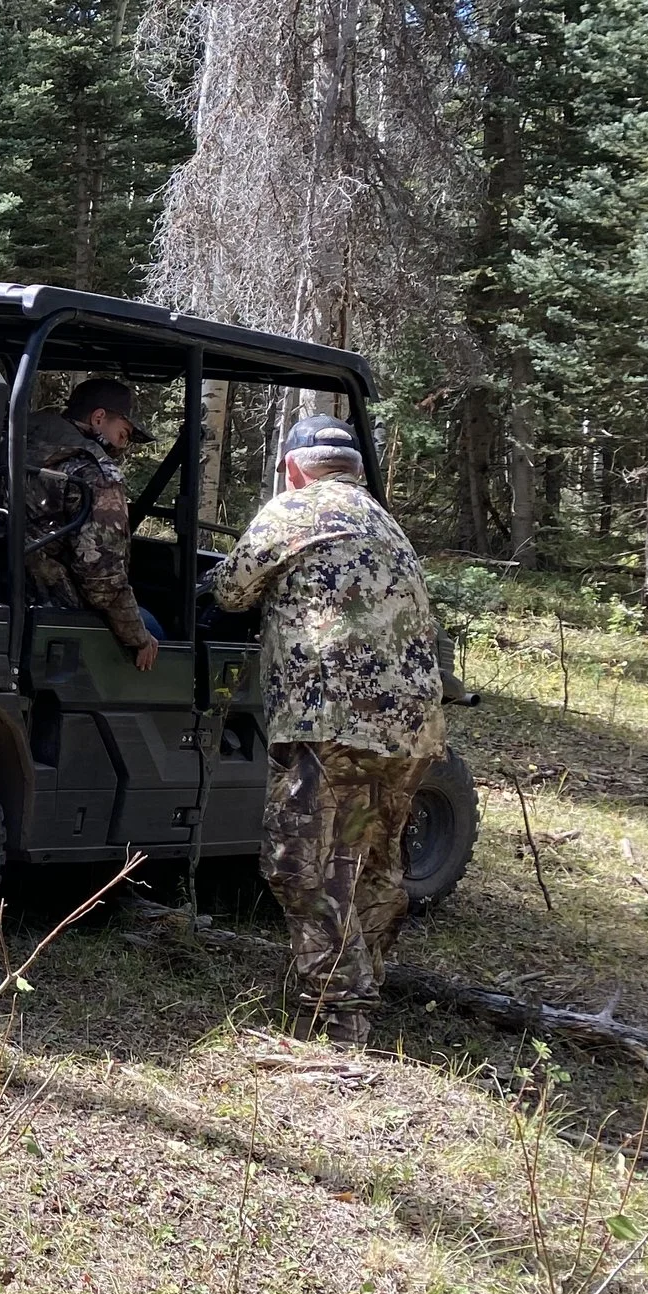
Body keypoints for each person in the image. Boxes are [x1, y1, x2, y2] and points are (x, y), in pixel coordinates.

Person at [204, 414, 444, 1047]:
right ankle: (367, 984)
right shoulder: (385, 522)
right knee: (369, 856)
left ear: (292, 468)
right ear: (358, 471)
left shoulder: (293, 511)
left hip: (331, 722)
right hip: (410, 730)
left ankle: (340, 1015)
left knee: (300, 863)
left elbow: (230, 591)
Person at [26, 378, 161, 672]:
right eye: (123, 434)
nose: (122, 448)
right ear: (99, 418)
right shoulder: (95, 473)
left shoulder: (20, 440)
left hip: (14, 582)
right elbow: (103, 582)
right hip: (56, 599)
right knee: (154, 628)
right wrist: (139, 638)